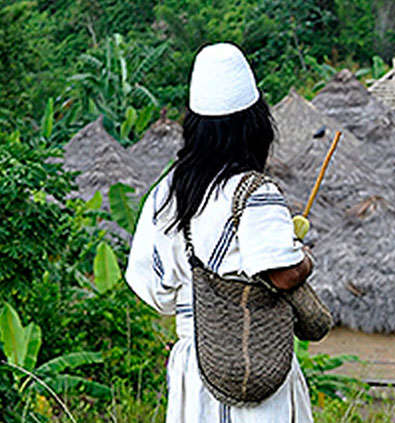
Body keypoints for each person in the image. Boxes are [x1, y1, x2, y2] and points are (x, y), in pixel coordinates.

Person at [125, 43, 316, 423]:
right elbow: (281, 273)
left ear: (195, 128)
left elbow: (152, 290)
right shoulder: (254, 192)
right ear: (256, 126)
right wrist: (304, 259)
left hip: (197, 368)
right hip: (255, 360)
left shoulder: (166, 195)